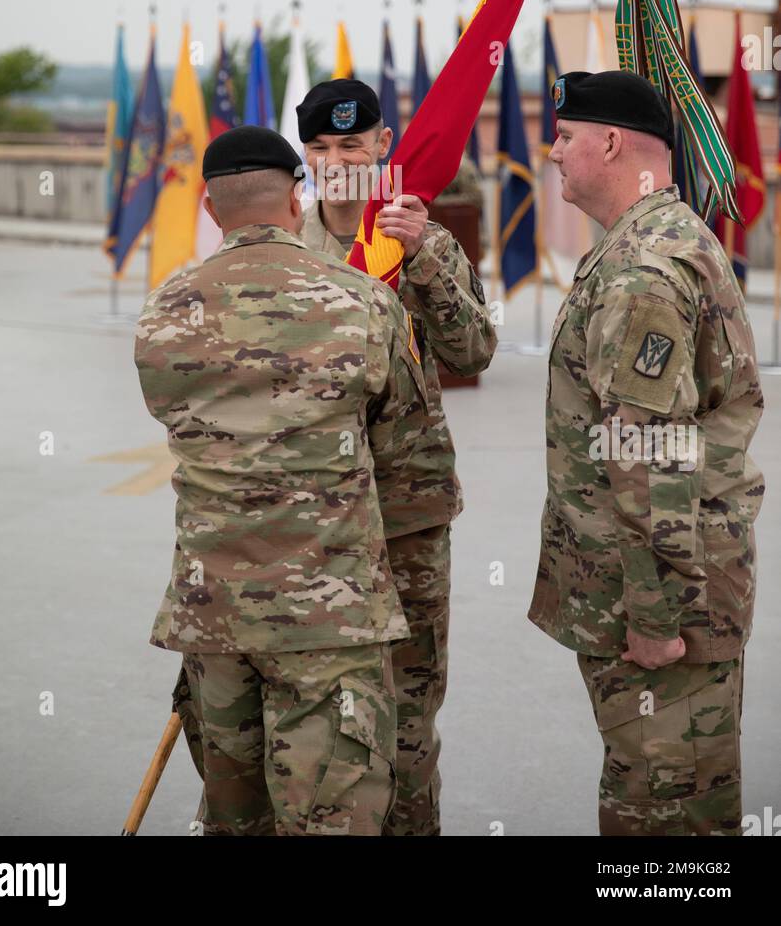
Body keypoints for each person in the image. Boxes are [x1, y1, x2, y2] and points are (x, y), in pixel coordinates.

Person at [134, 126, 429, 836]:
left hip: (214, 617)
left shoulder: (165, 308)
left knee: (237, 820)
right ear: (296, 199)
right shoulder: (362, 301)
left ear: (210, 208)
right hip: (329, 616)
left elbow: (173, 415)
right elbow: (400, 444)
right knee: (331, 817)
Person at [528, 69, 765, 836]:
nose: (554, 152)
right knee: (671, 795)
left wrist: (655, 612)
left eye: (566, 138)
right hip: (669, 579)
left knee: (666, 813)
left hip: (666, 599)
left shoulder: (641, 271)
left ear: (610, 142)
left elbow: (647, 455)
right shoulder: (653, 239)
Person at [296, 78, 497, 835]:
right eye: (319, 148)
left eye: (352, 144)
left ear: (384, 146)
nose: (336, 161)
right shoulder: (287, 244)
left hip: (408, 509)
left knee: (408, 715)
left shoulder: (418, 236)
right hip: (313, 516)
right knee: (322, 713)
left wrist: (423, 265)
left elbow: (472, 348)